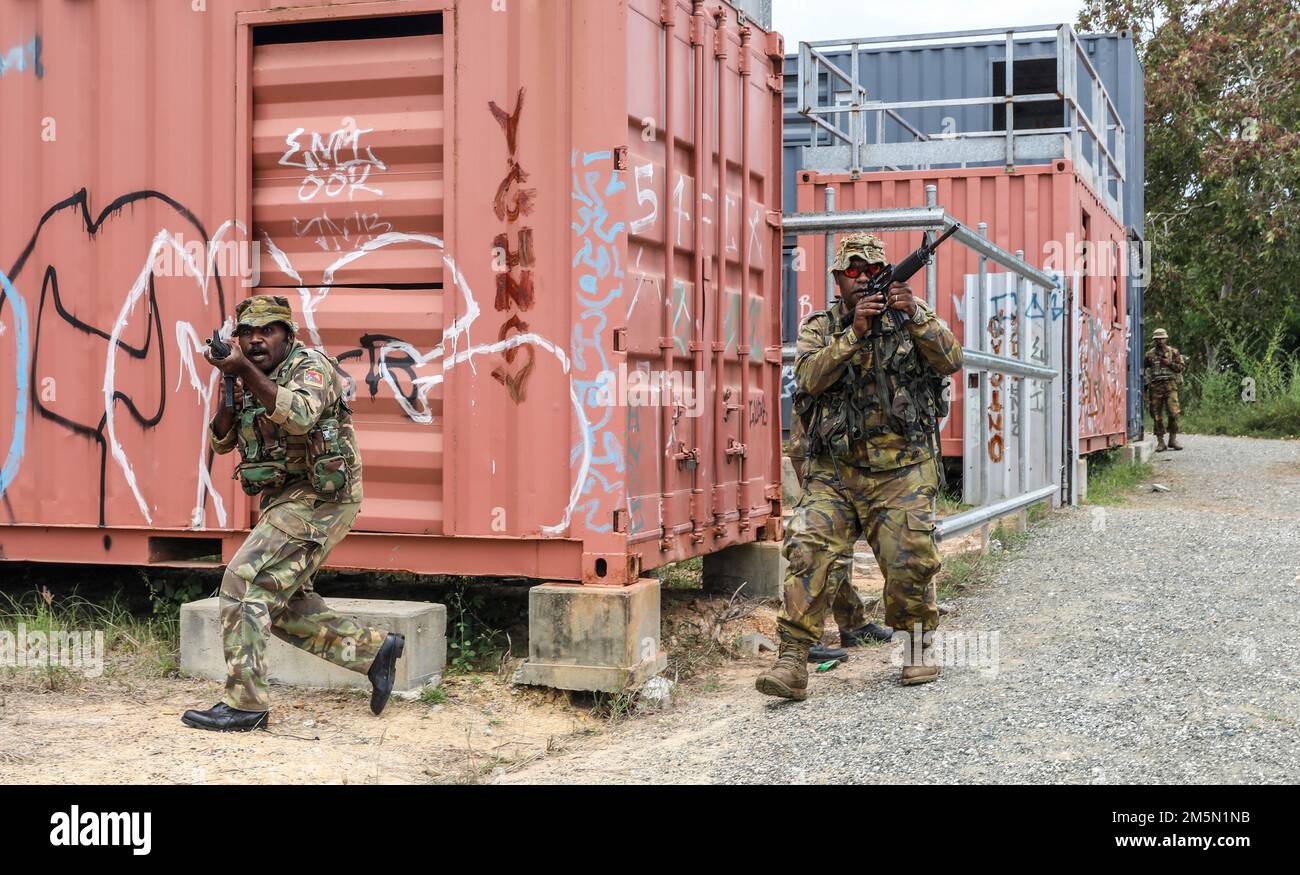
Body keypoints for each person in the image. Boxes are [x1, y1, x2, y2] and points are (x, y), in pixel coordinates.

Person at [182, 295, 404, 732]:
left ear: (288, 335)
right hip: (287, 499)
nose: (257, 339)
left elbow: (300, 416)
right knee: (277, 604)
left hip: (324, 497)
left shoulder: (312, 368)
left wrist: (243, 370)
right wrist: (230, 383)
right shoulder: (246, 373)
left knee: (242, 583)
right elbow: (223, 442)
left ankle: (246, 705)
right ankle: (373, 652)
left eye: (268, 331)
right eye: (248, 333)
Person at [758, 233, 962, 700]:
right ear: (837, 279)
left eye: (871, 271)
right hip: (837, 471)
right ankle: (792, 658)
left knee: (910, 555)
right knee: (808, 544)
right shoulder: (822, 327)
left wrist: (913, 317)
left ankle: (915, 644)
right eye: (852, 272)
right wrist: (854, 336)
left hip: (902, 469)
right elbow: (806, 377)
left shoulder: (912, 316)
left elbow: (952, 359)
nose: (863, 279)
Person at [786, 395, 893, 665]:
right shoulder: (823, 362)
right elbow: (801, 431)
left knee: (837, 551)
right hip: (823, 459)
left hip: (852, 460)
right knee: (821, 551)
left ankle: (853, 622)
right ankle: (809, 637)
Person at [1143, 328, 1186, 452]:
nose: (1160, 341)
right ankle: (1160, 442)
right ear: (1154, 340)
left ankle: (1173, 439)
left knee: (1174, 412)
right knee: (1156, 415)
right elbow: (1145, 371)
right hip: (1155, 387)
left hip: (1170, 385)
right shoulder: (1149, 355)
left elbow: (1181, 368)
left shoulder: (1173, 352)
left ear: (1166, 339)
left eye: (1162, 338)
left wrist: (1169, 363)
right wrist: (1145, 388)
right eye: (1158, 339)